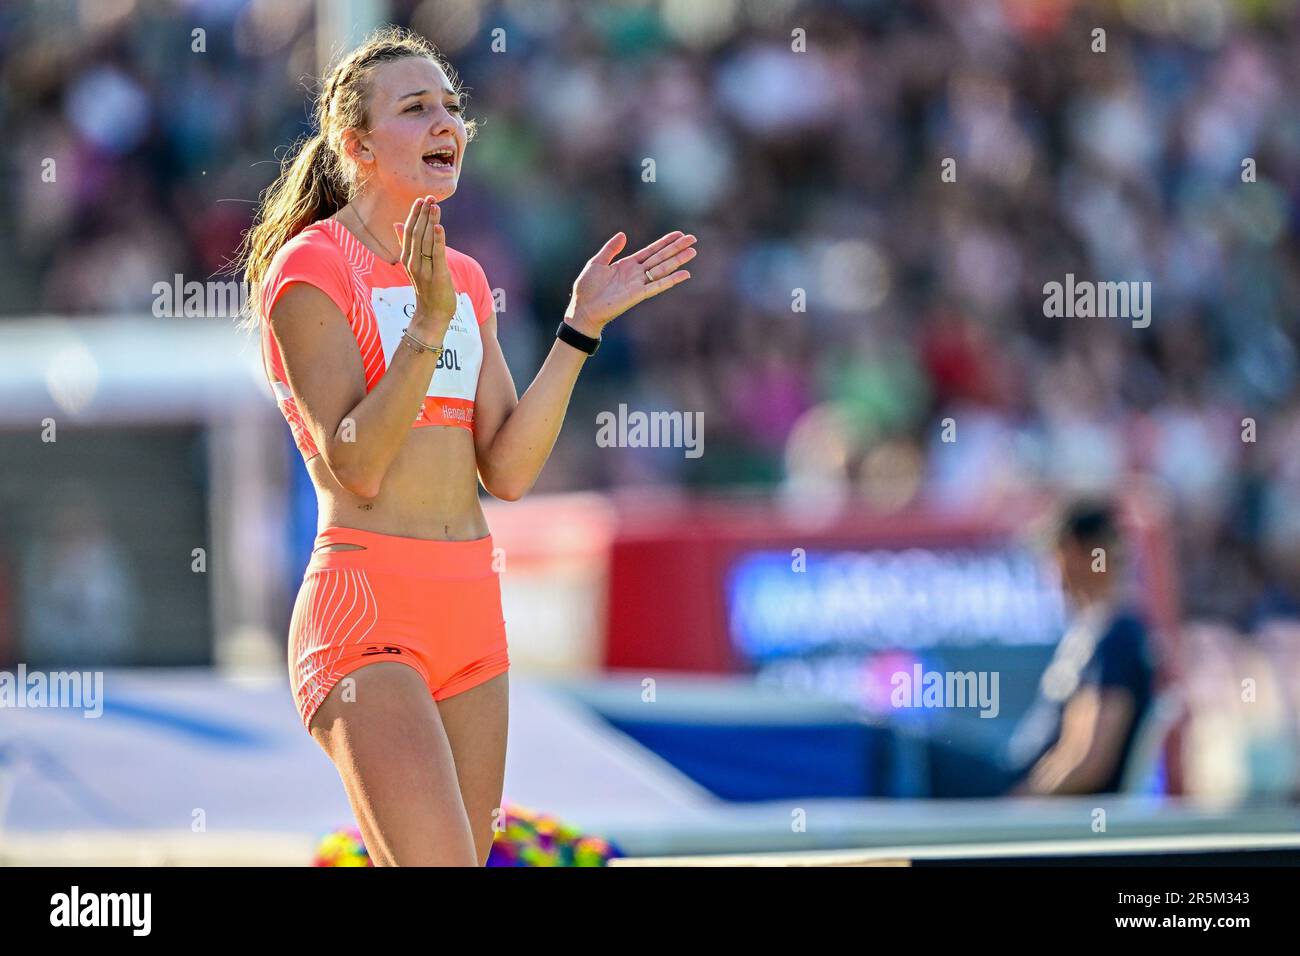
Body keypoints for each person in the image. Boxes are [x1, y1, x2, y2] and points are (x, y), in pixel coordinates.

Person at [236, 27, 697, 865]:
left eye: (451, 107)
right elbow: (357, 463)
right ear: (356, 145)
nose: (446, 123)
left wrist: (578, 328)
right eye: (416, 109)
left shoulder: (467, 277)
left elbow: (510, 471)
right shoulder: (312, 268)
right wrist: (426, 321)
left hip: (471, 615)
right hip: (365, 613)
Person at [1004, 500, 1158, 795]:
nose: (1049, 572)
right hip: (1014, 787)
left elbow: (1087, 763)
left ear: (1073, 552)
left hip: (1015, 795)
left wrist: (1015, 806)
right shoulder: (1097, 629)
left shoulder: (1115, 636)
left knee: (896, 748)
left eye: (1054, 556)